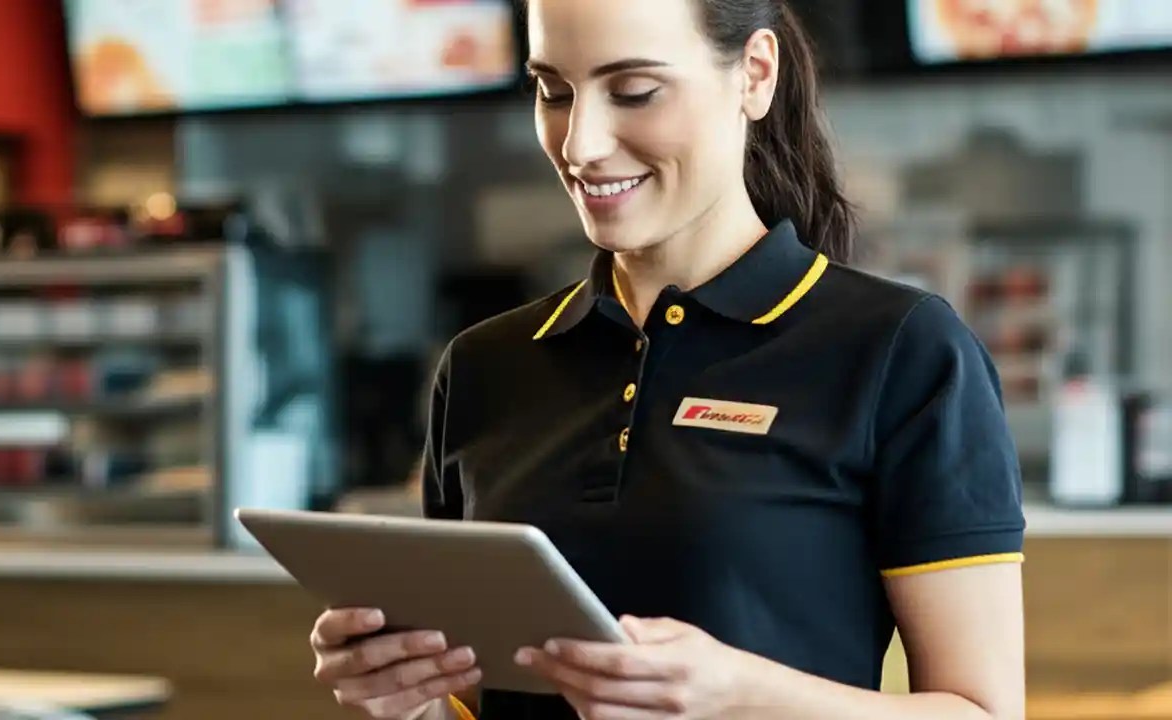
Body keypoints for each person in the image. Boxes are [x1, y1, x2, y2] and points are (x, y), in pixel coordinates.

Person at [310, 0, 1026, 718]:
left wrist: (743, 695)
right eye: (553, 91)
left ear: (754, 74)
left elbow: (982, 712)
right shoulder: (481, 368)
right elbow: (483, 693)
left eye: (634, 92)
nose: (580, 144)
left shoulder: (901, 351)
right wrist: (410, 701)